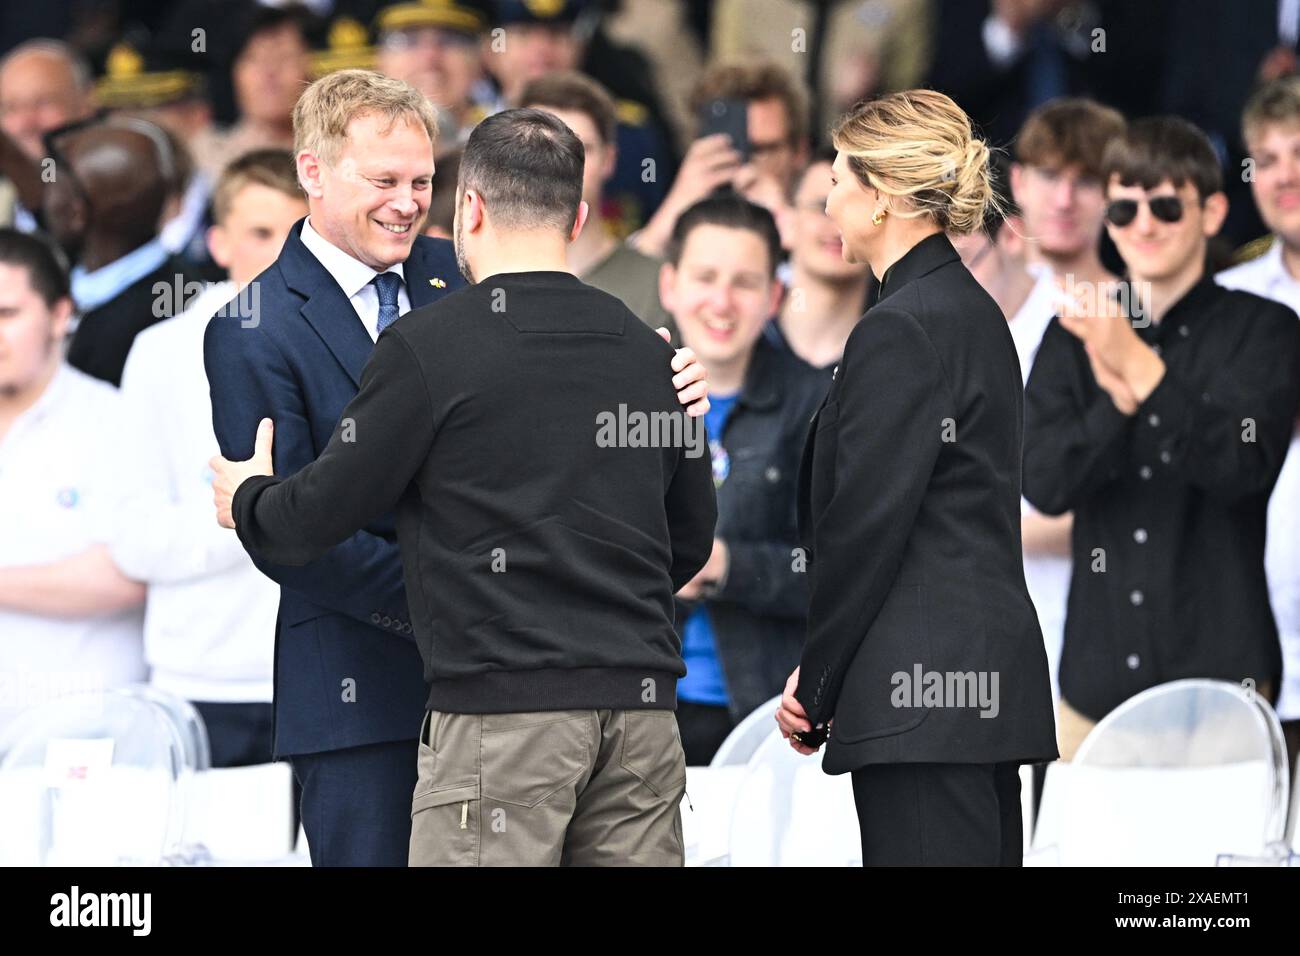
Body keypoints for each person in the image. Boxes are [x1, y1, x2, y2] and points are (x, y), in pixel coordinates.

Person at [203, 70, 709, 867]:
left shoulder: (472, 267)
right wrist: (469, 598)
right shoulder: (251, 329)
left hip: (517, 680)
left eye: (423, 181)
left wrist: (670, 391)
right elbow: (295, 540)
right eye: (384, 181)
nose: (408, 203)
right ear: (312, 172)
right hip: (364, 695)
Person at [774, 90, 1058, 866]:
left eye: (837, 179)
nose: (828, 201)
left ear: (886, 195)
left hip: (921, 703)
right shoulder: (969, 310)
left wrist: (817, 682)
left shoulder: (903, 326)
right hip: (965, 698)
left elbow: (865, 527)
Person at [1023, 117, 1300, 761]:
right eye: (1124, 207)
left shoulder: (1266, 329)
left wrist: (1138, 367)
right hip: (1095, 691)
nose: (1142, 225)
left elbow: (1243, 466)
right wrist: (1115, 407)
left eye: (1166, 206)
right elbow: (1044, 484)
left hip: (1224, 687)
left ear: (1212, 212)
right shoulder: (1071, 334)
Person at [109, 150, 307, 768]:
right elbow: (133, 539)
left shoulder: (362, 341)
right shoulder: (160, 354)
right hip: (202, 685)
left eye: (298, 234)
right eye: (260, 233)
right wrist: (262, 513)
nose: (280, 254)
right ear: (217, 242)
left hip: (329, 676)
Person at [660, 194, 826, 764]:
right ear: (669, 285)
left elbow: (844, 572)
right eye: (705, 276)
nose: (722, 302)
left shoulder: (818, 404)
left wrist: (726, 566)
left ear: (775, 295)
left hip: (764, 715)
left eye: (746, 282)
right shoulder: (619, 393)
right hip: (633, 708)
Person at [0, 229, 145, 735]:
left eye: (7, 314)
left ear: (61, 315)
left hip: (88, 739)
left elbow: (131, 574)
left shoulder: (115, 421)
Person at [1217, 76, 1300, 770]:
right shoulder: (1226, 300)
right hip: (1250, 646)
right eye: (1265, 160)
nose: (1285, 175)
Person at [43, 114, 200, 387]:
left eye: (55, 184)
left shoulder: (167, 321)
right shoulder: (54, 279)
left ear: (75, 212)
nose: (46, 197)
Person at [521, 70, 674, 337]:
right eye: (541, 146)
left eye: (581, 149)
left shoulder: (661, 284)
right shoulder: (479, 275)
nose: (562, 164)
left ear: (609, 159)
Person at [768, 150, 873, 373]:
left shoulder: (892, 352)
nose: (838, 227)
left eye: (856, 208)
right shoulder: (745, 340)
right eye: (822, 207)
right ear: (786, 221)